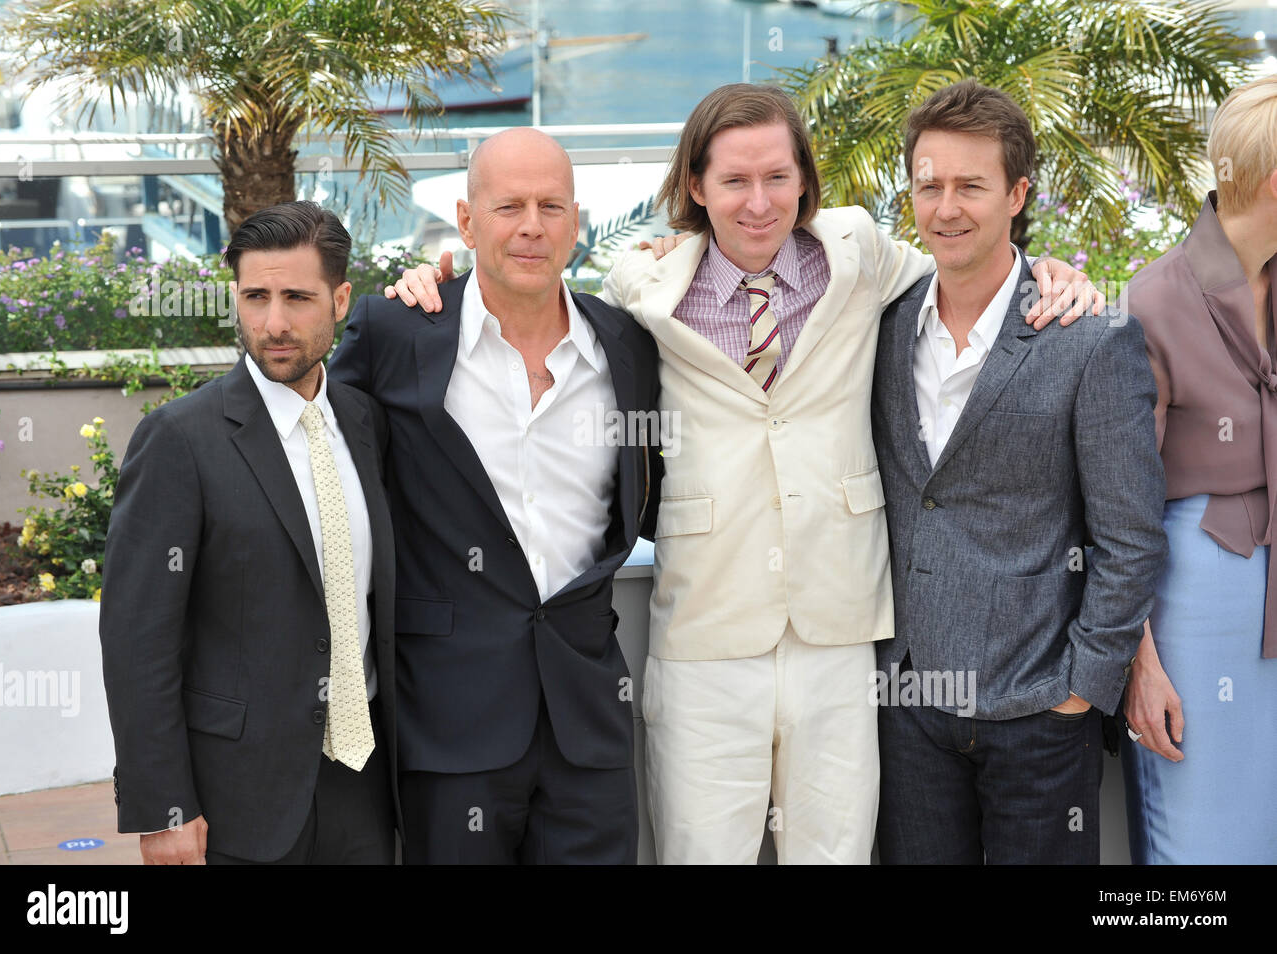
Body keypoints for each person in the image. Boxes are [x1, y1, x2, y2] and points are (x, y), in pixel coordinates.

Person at [387, 85, 1100, 864]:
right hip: (704, 633)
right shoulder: (642, 286)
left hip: (840, 631)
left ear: (804, 180)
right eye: (733, 181)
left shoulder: (858, 251)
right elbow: (532, 296)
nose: (758, 203)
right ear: (696, 186)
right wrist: (435, 285)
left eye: (777, 178)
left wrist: (1055, 275)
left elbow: (968, 267)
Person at [326, 127, 661, 864]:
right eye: (509, 206)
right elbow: (307, 450)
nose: (532, 227)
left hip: (588, 719)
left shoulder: (628, 345)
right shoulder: (399, 332)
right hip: (449, 719)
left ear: (577, 220)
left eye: (551, 206)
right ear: (468, 221)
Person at [870, 79, 1167, 864]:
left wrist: (1080, 692)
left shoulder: (1090, 339)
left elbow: (1129, 535)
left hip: (1040, 708)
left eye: (971, 185)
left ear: (1018, 194)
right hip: (908, 705)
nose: (947, 206)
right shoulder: (883, 326)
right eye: (929, 186)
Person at [100, 201, 399, 864]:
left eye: (297, 297)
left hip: (366, 785)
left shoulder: (365, 423)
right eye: (255, 297)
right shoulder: (179, 439)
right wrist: (164, 805)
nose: (274, 324)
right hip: (237, 798)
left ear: (340, 299)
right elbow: (137, 640)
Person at [1120, 74, 1277, 864]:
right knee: (1209, 839)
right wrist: (1138, 662)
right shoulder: (1155, 299)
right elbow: (1121, 503)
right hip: (1201, 583)